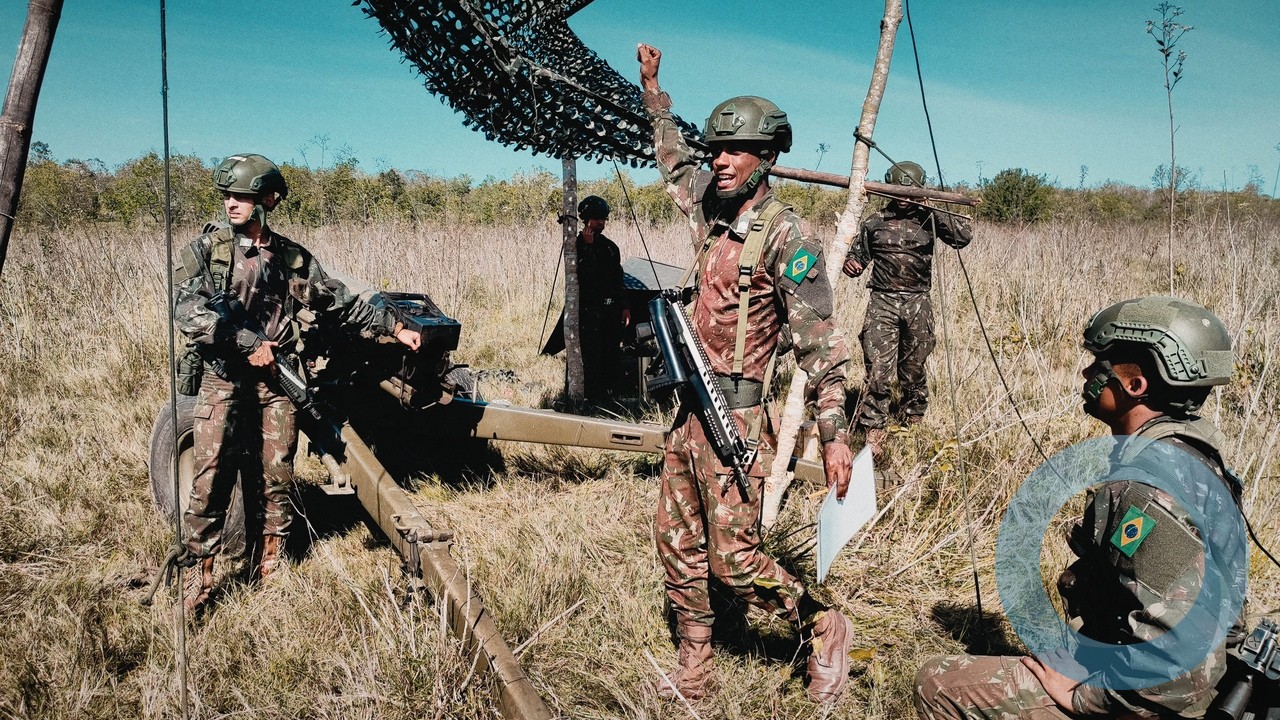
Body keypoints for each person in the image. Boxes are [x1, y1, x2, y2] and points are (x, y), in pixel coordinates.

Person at [638, 43, 857, 704]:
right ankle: (697, 654)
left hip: (734, 416)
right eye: (718, 150)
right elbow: (672, 156)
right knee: (675, 539)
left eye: (736, 151)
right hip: (685, 408)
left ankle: (821, 625)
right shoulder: (709, 204)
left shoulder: (790, 240)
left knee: (734, 558)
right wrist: (653, 89)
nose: (720, 160)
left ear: (767, 158)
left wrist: (834, 432)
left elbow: (819, 344)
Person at [914, 295, 1247, 720]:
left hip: (1153, 703)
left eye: (1099, 366)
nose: (1086, 373)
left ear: (1135, 386)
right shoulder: (1193, 451)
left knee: (937, 684)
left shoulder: (1149, 490)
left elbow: (1178, 672)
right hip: (1152, 662)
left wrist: (1086, 698)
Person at [172, 153, 422, 614]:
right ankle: (199, 576)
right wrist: (246, 342)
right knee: (210, 479)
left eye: (243, 196)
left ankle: (271, 565)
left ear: (267, 199)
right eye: (227, 195)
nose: (232, 203)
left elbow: (340, 302)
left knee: (278, 475)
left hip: (278, 383)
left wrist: (394, 326)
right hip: (224, 380)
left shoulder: (292, 257)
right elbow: (188, 312)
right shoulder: (206, 252)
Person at [842, 161, 972, 457]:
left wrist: (934, 204)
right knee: (878, 369)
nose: (903, 198)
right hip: (882, 302)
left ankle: (914, 415)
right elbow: (857, 259)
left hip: (917, 302)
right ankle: (874, 428)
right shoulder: (875, 222)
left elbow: (962, 238)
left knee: (913, 366)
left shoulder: (930, 219)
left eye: (909, 192)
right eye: (897, 191)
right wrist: (852, 264)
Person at [573, 195, 630, 403]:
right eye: (597, 218)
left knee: (611, 353)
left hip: (611, 310)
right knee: (592, 355)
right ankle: (592, 398)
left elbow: (618, 279)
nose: (601, 223)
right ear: (586, 219)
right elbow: (585, 277)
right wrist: (587, 248)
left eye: (604, 218)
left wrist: (624, 307)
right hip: (590, 311)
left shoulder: (610, 247)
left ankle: (611, 396)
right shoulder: (576, 246)